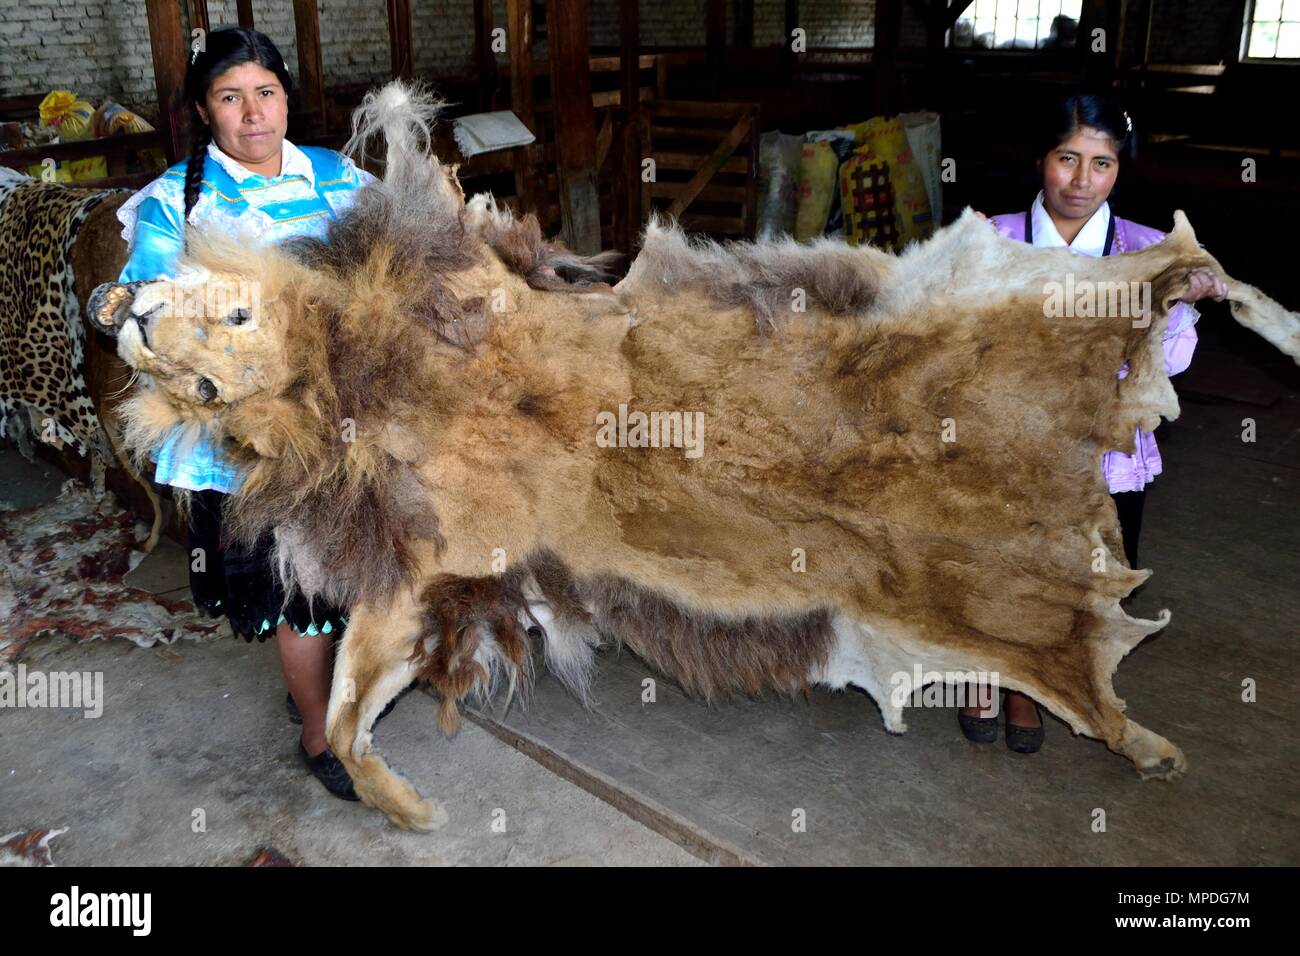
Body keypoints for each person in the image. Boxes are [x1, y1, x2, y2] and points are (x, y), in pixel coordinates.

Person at [115, 26, 380, 799]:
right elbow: (156, 318)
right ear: (206, 110)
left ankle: (332, 685)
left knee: (352, 573)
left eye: (266, 92)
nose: (253, 112)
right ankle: (317, 732)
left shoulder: (340, 179)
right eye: (230, 97)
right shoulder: (177, 200)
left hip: (346, 421)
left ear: (286, 99)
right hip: (250, 437)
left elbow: (388, 273)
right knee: (298, 592)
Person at [957, 92, 1227, 753]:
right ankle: (984, 675)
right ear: (1040, 160)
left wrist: (1176, 304)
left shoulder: (1147, 249)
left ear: (1118, 170)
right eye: (1067, 159)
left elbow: (1175, 365)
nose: (1081, 181)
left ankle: (1029, 686)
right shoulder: (991, 239)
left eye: (1101, 164)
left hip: (1106, 453)